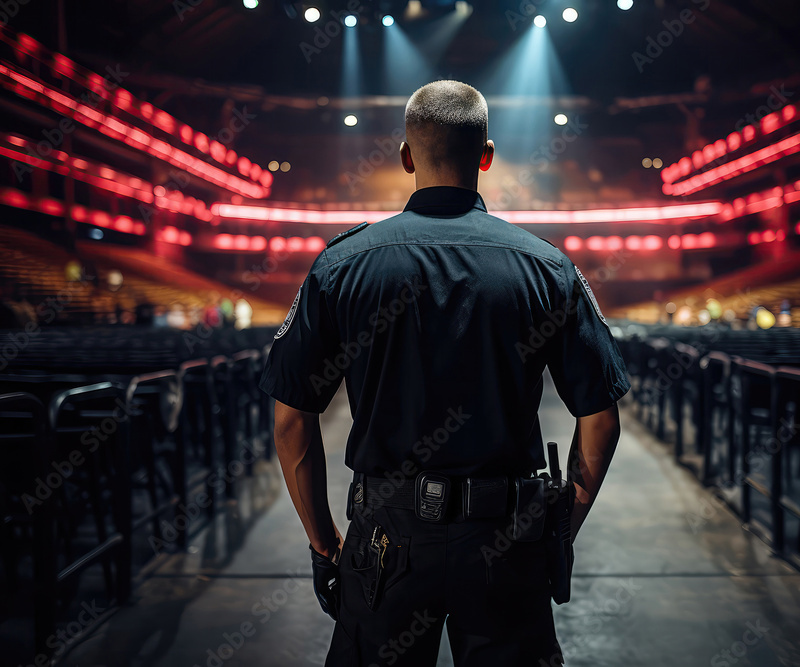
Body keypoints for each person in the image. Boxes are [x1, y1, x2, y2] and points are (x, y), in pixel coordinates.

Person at [259, 80, 629, 666]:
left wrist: (324, 542)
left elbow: (291, 422)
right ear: (486, 154)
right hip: (508, 536)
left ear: (406, 156)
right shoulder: (546, 266)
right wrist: (560, 526)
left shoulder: (341, 266)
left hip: (386, 537)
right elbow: (600, 418)